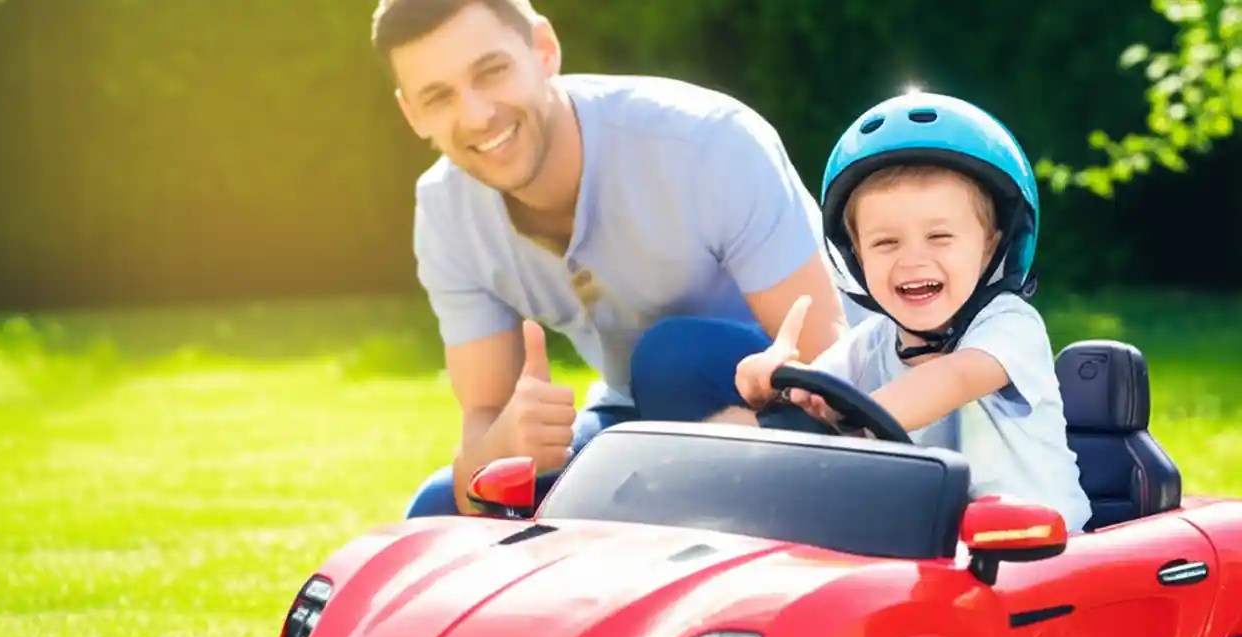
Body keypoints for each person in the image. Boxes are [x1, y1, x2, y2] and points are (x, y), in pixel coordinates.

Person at [372, 0, 865, 516]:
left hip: (799, 411)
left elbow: (833, 373)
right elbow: (482, 430)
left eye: (492, 71)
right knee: (438, 512)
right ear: (413, 114)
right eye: (438, 97)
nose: (476, 115)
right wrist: (510, 441)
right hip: (636, 419)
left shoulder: (706, 143)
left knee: (673, 358)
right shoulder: (445, 212)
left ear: (542, 50)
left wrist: (728, 440)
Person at [731, 91, 1092, 534]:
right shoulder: (872, 341)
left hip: (1044, 557)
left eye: (939, 237)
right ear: (856, 256)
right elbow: (812, 395)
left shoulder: (1008, 326)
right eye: (886, 243)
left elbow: (952, 378)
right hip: (936, 556)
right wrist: (768, 380)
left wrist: (855, 417)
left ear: (991, 246)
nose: (912, 259)